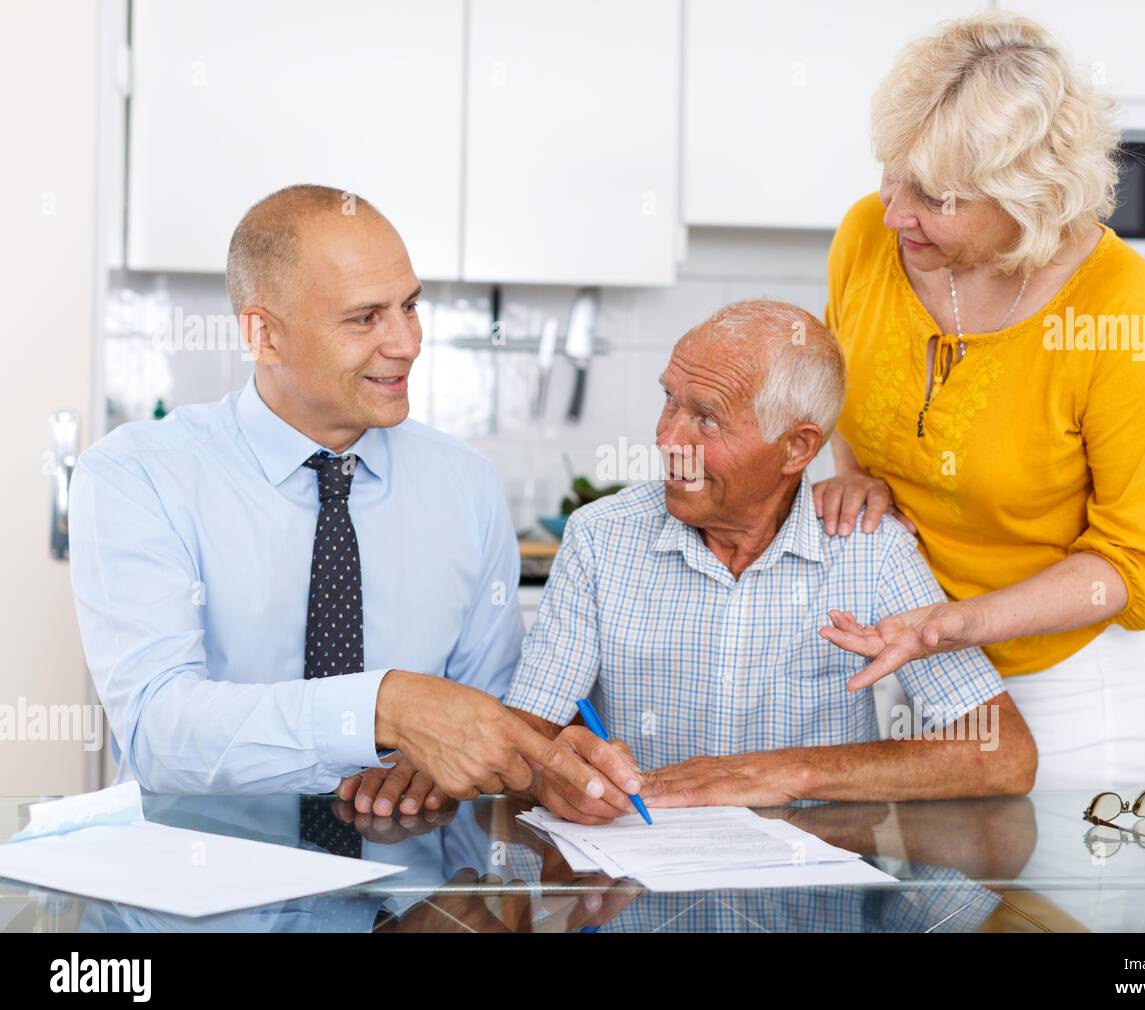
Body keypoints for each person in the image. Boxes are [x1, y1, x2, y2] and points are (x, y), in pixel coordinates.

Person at [69, 184, 622, 813]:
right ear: (264, 335)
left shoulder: (465, 483)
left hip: (410, 889)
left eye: (410, 306)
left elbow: (485, 708)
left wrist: (442, 760)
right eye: (365, 318)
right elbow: (157, 732)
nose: (407, 343)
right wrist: (382, 707)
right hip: (202, 892)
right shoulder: (136, 474)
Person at [814, 12, 1145, 789]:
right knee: (928, 906)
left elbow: (1136, 569)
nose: (895, 211)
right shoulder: (866, 237)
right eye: (892, 173)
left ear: (1031, 196)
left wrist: (961, 623)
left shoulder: (1123, 308)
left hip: (1063, 682)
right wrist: (856, 471)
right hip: (908, 659)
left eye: (937, 198)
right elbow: (848, 393)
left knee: (1063, 909)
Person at [505, 299, 1037, 824]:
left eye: (707, 420)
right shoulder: (601, 536)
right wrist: (556, 770)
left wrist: (784, 774)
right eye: (670, 400)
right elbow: (526, 739)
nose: (667, 439)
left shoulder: (872, 551)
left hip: (815, 892)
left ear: (796, 449)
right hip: (641, 881)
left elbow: (1004, 753)